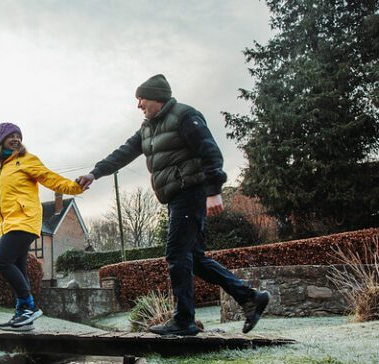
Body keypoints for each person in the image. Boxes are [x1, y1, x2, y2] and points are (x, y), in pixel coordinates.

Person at [76, 74, 269, 336]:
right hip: (176, 197)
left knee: (177, 255)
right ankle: (250, 298)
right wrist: (94, 173)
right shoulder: (148, 128)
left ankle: (184, 321)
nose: (138, 105)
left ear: (156, 97)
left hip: (191, 192)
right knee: (196, 260)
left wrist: (214, 191)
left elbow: (210, 152)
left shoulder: (184, 116)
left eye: (141, 99)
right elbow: (123, 153)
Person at [0, 122, 84, 331]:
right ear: (1, 140)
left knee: (2, 261)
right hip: (7, 224)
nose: (16, 138)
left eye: (19, 135)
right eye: (12, 135)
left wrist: (74, 187)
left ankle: (29, 306)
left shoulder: (27, 160)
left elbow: (49, 178)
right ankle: (23, 318)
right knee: (18, 267)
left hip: (25, 220)